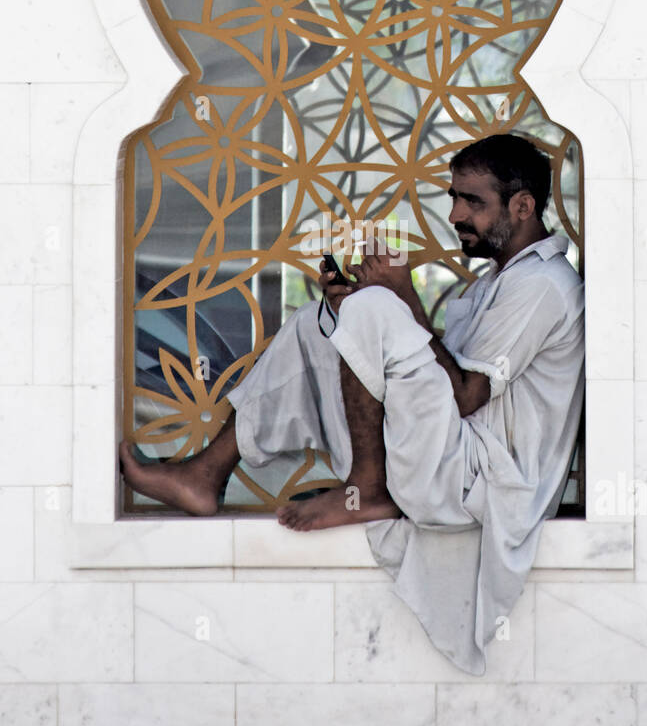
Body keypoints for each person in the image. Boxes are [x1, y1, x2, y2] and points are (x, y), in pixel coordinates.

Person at [119, 133, 585, 675]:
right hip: (447, 456)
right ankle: (206, 473)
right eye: (453, 197)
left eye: (473, 201)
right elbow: (434, 376)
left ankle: (369, 489)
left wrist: (398, 300)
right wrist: (356, 308)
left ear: (523, 206)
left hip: (484, 482)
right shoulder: (496, 284)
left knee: (370, 312)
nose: (455, 213)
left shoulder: (544, 286)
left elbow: (462, 395)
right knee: (322, 324)